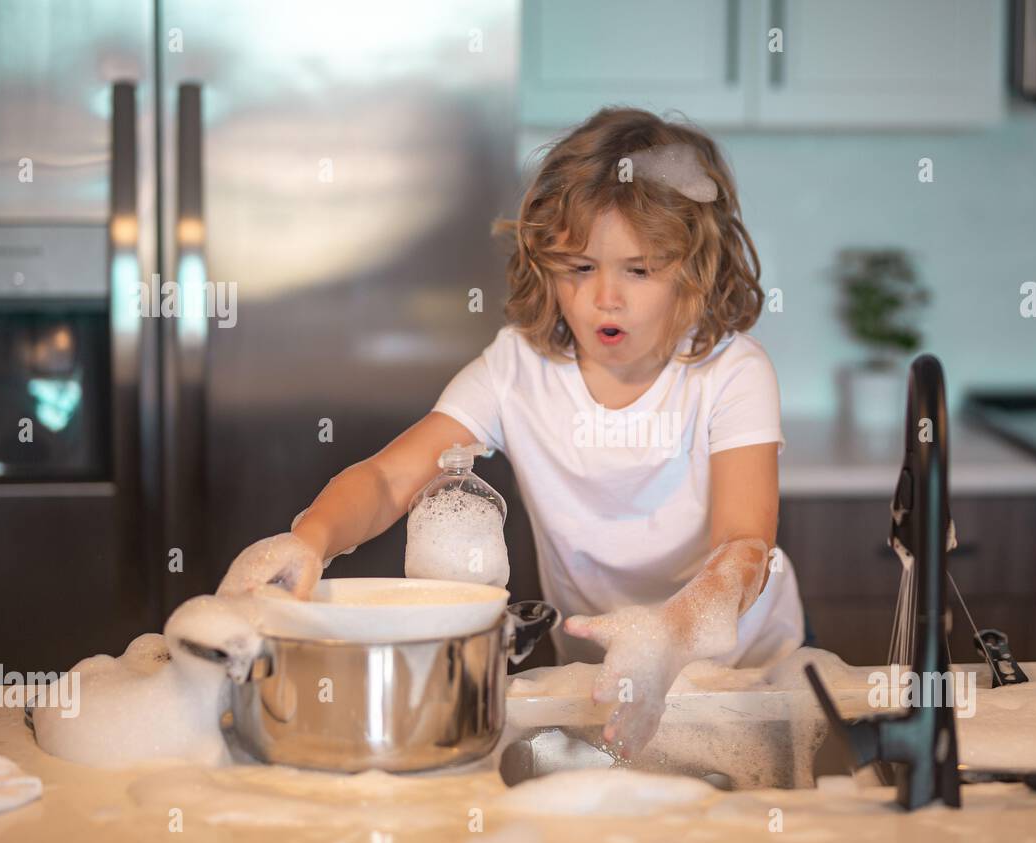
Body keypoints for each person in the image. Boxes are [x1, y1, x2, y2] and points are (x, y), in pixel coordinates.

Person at [217, 107, 805, 758]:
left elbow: (744, 545)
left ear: (694, 278)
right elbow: (389, 479)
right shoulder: (517, 369)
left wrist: (669, 635)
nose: (605, 296)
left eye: (639, 270)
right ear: (546, 266)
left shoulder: (732, 373)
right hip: (601, 674)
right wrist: (311, 540)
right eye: (579, 267)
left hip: (743, 677)